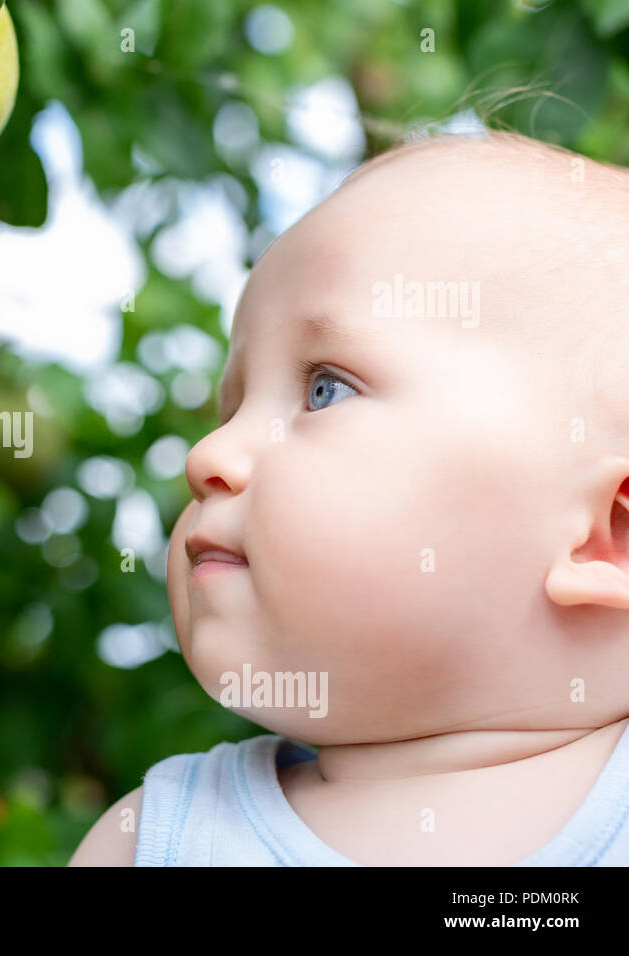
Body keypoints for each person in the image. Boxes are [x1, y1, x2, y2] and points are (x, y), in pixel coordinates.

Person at [70, 131, 629, 866]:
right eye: (230, 409)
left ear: (607, 536)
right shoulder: (153, 842)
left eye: (323, 389)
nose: (208, 455)